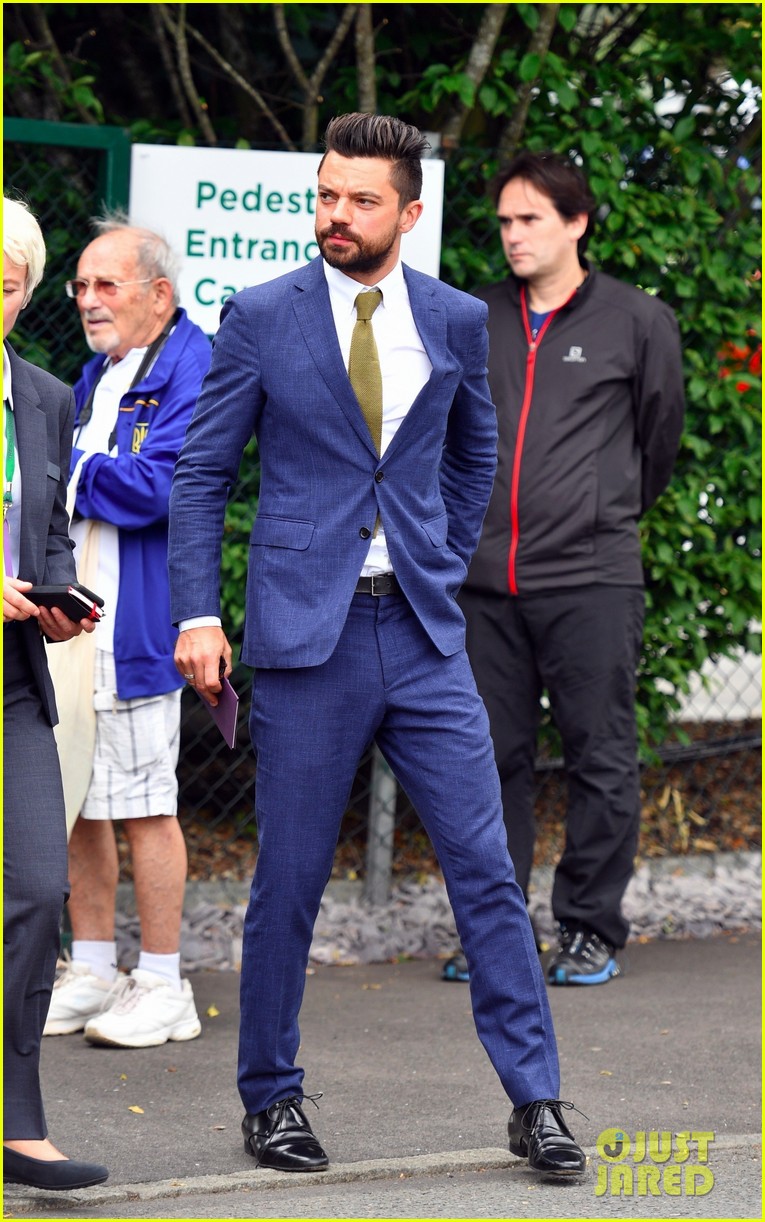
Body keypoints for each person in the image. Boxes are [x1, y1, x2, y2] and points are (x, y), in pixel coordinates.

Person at [167, 113, 586, 1178]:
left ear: (408, 211)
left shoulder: (451, 317)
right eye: (325, 195)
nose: (336, 217)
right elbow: (203, 476)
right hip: (309, 640)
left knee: (487, 870)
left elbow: (474, 450)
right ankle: (270, 1097)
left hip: (425, 631)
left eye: (359, 200)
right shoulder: (261, 316)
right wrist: (197, 610)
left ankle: (535, 1098)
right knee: (291, 882)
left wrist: (435, 555)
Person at [442, 151, 685, 988]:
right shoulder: (474, 315)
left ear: (576, 222)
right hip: (482, 583)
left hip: (591, 578)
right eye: (504, 221)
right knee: (486, 758)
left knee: (598, 754)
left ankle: (589, 928)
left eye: (529, 220)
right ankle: (497, 933)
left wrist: (597, 514)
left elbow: (657, 444)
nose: (511, 235)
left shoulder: (636, 320)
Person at [42, 215, 211, 1048]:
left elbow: (156, 491)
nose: (87, 300)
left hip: (142, 624)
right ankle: (97, 964)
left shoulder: (194, 363)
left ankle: (165, 983)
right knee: (80, 801)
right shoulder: (98, 370)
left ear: (158, 294)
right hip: (76, 623)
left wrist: (61, 468)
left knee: (146, 806)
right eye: (79, 285)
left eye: (106, 285)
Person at [3, 195, 108, 1190]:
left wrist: (56, 600)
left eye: (8, 283)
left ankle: (18, 1119)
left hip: (12, 687)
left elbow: (45, 547)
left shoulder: (43, 397)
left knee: (37, 890)